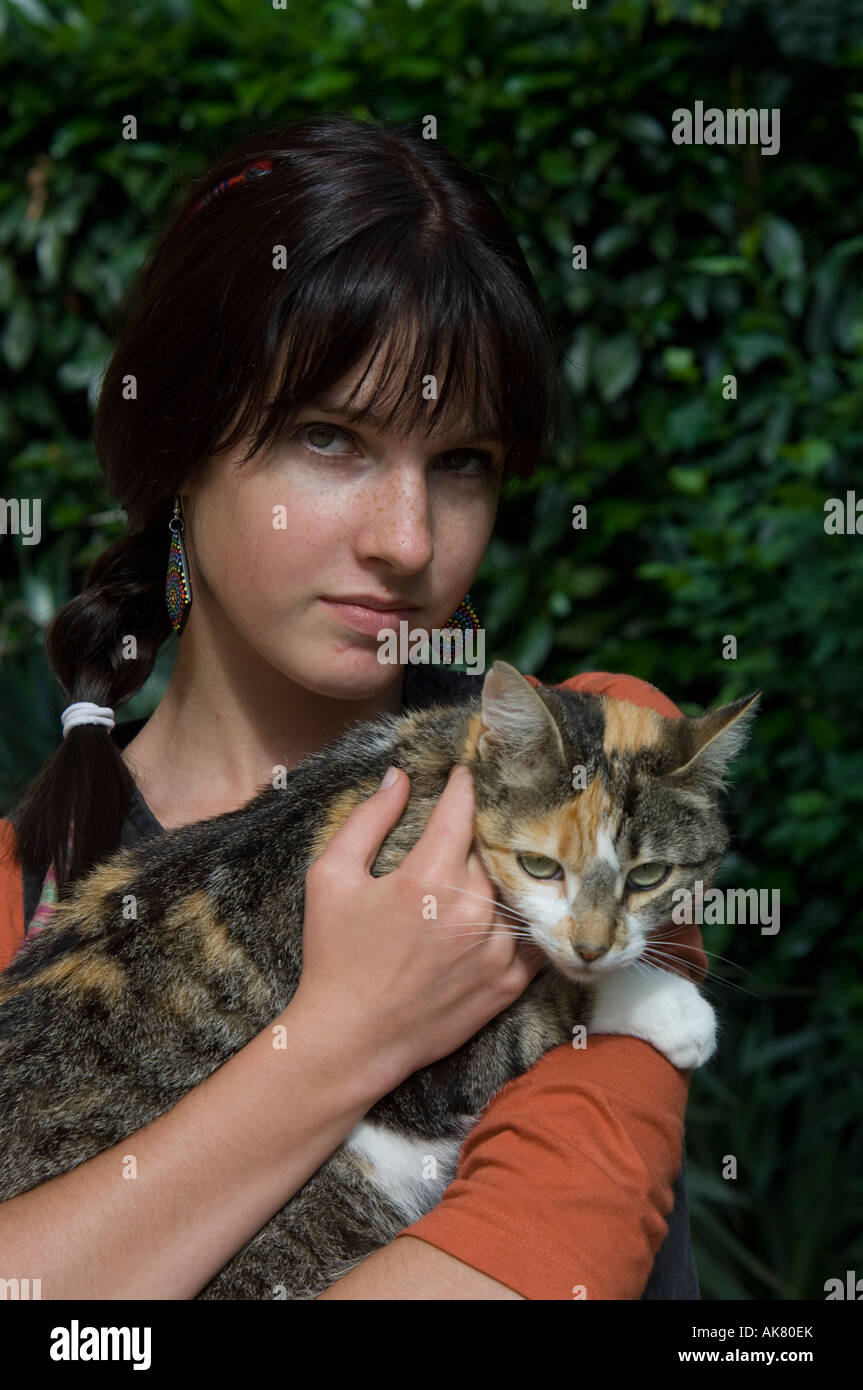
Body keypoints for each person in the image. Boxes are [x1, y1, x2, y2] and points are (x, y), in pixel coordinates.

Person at [0, 113, 706, 1300]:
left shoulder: (595, 781)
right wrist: (339, 1040)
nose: (409, 540)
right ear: (179, 443)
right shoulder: (22, 890)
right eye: (330, 438)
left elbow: (526, 1268)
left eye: (461, 461)